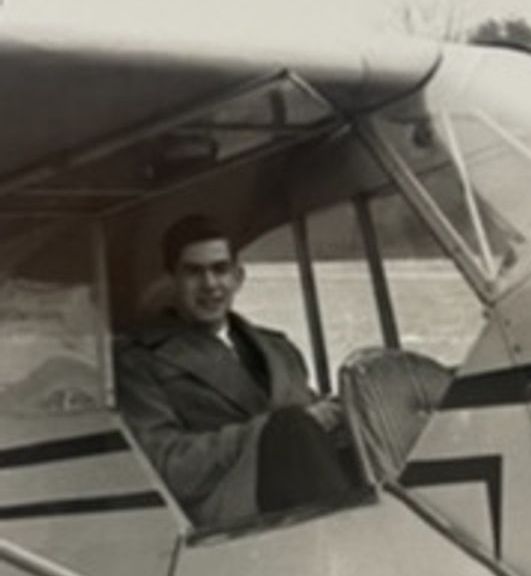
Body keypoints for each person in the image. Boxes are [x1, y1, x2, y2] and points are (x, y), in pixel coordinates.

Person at [115, 214, 356, 527]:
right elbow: (167, 465)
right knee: (290, 427)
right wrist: (265, 432)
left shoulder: (278, 349)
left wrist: (342, 413)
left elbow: (310, 423)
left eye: (220, 269)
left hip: (303, 491)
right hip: (224, 510)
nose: (210, 284)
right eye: (193, 272)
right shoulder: (140, 360)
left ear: (238, 277)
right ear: (172, 280)